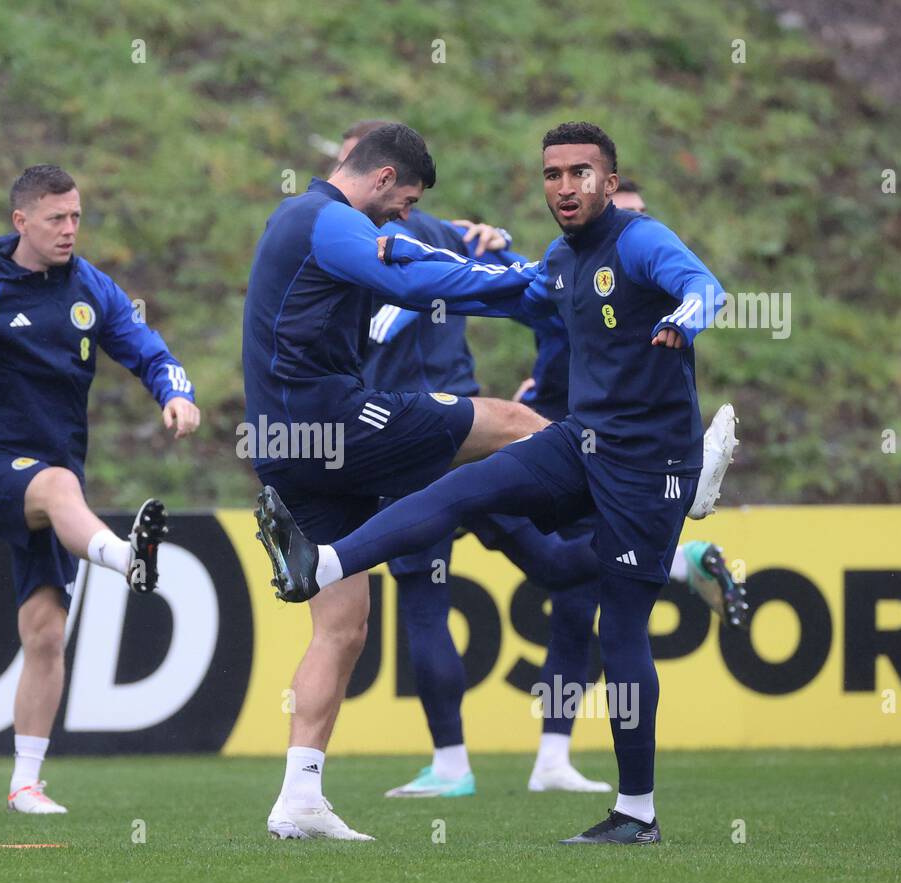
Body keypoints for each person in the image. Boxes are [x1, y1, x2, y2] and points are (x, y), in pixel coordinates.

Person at [256, 121, 731, 844]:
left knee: (607, 622)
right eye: (554, 175)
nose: (566, 187)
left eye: (581, 173)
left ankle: (634, 812)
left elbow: (703, 286)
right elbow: (456, 282)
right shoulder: (547, 257)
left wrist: (686, 316)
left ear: (610, 179)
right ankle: (324, 567)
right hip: (551, 441)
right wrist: (517, 283)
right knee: (476, 479)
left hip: (643, 461)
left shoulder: (638, 238)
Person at [243, 122, 559, 841]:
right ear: (382, 180)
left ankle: (298, 799)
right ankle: (644, 474)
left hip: (287, 443)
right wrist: (535, 289)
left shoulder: (303, 220)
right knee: (510, 420)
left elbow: (414, 267)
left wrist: (503, 271)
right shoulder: (326, 218)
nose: (405, 213)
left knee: (343, 626)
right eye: (406, 199)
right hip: (331, 421)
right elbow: (407, 275)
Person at [0, 165, 200, 813]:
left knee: (47, 634)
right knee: (60, 487)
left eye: (77, 216)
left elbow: (147, 349)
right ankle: (124, 558)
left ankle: (25, 783)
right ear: (20, 222)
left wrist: (176, 393)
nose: (69, 229)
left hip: (57, 484)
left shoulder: (92, 289)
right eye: (56, 219)